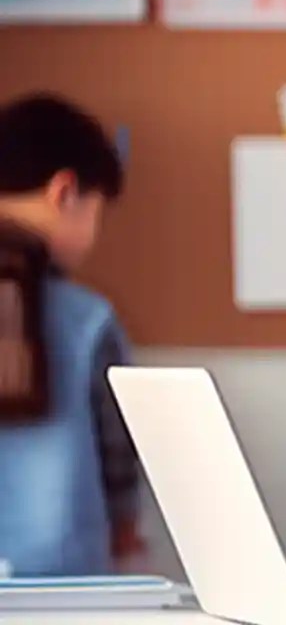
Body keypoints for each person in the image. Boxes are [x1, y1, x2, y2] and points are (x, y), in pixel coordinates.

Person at [0, 93, 144, 576]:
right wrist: (126, 538)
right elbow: (117, 455)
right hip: (64, 580)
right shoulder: (86, 318)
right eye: (96, 210)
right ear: (65, 192)